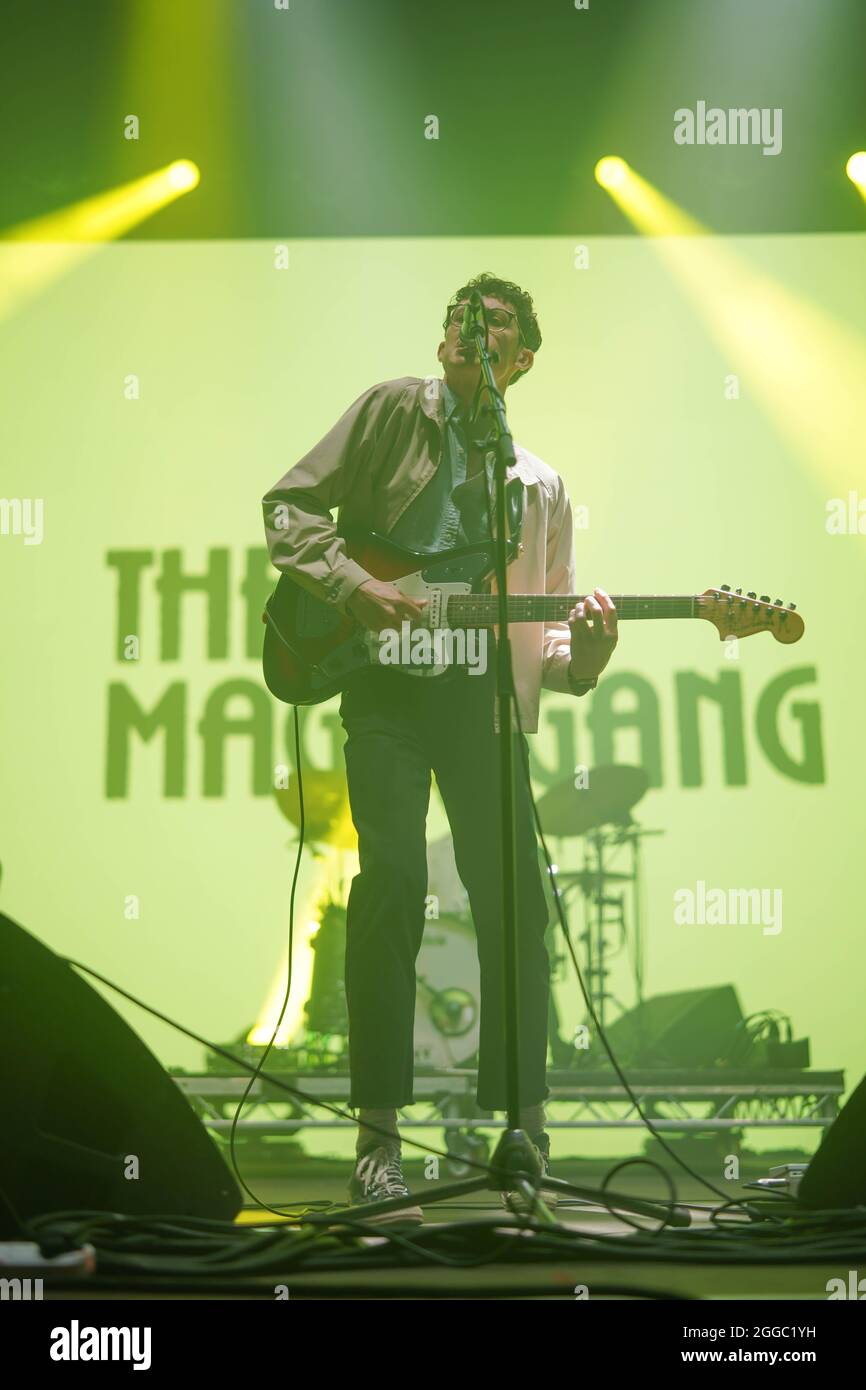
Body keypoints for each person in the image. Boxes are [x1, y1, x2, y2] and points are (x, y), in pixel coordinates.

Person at [262, 273, 618, 1221]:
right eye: (461, 316)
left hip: (483, 704)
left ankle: (524, 1131)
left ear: (521, 360)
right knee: (388, 887)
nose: (471, 329)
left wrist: (585, 656)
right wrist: (350, 587)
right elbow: (288, 508)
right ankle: (378, 1145)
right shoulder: (388, 412)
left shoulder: (536, 485)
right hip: (384, 688)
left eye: (493, 322)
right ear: (442, 341)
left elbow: (546, 635)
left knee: (513, 902)